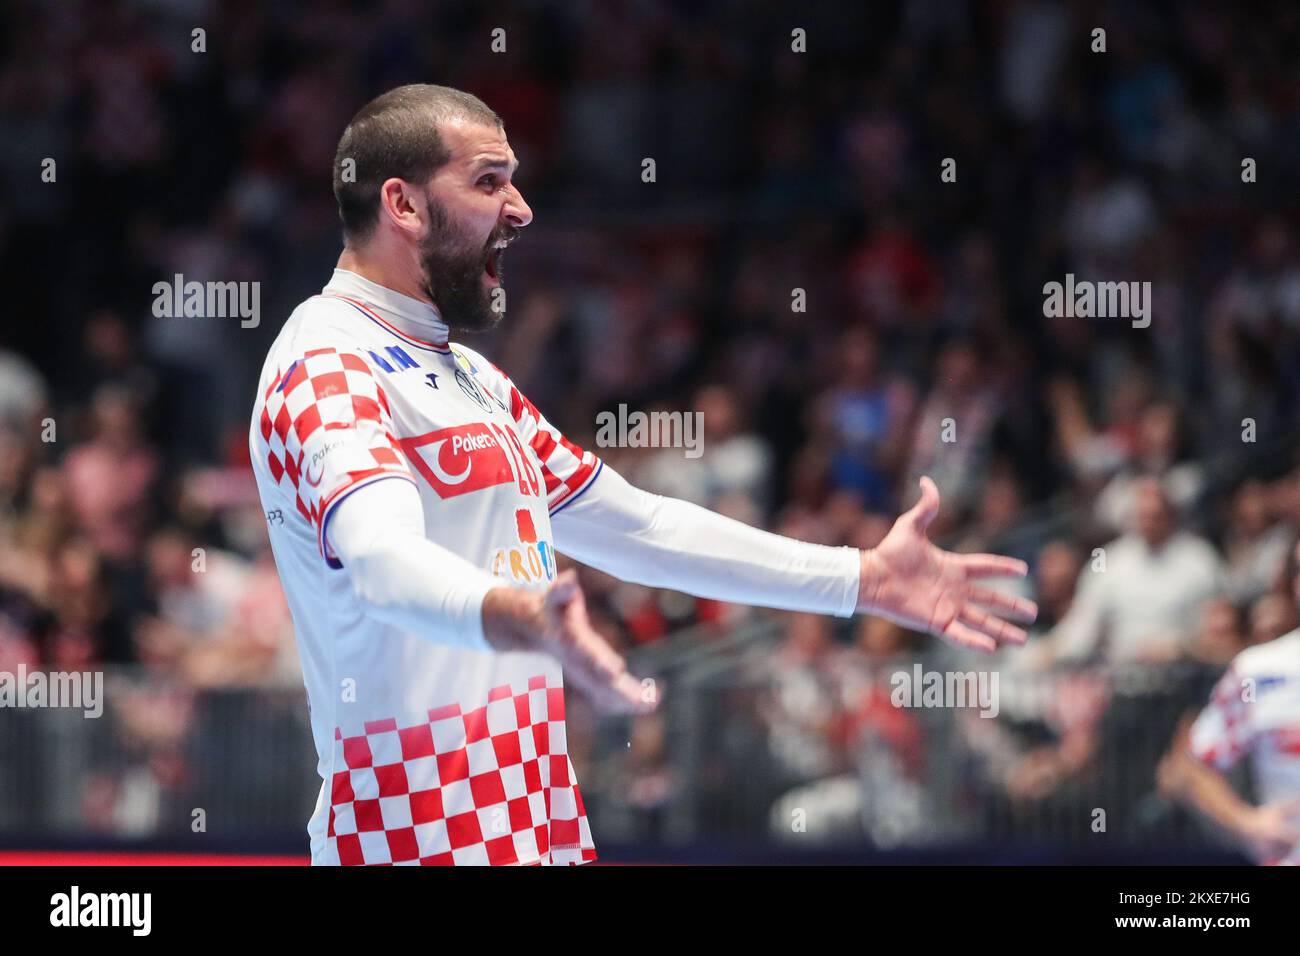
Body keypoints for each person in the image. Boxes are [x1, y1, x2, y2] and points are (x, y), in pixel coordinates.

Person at [248, 84, 1036, 866]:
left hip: (539, 830)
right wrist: (519, 613)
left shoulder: (473, 381)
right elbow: (383, 562)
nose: (520, 210)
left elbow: (641, 528)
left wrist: (859, 577)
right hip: (408, 843)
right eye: (489, 181)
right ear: (404, 205)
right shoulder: (326, 362)